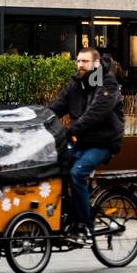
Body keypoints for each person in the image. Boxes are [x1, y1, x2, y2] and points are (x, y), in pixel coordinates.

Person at [49, 47, 124, 232]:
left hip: (103, 141)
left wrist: (71, 129)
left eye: (85, 61)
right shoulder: (77, 84)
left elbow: (97, 112)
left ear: (96, 64)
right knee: (57, 171)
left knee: (77, 174)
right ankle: (70, 217)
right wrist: (36, 119)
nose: (80, 65)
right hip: (81, 140)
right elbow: (57, 106)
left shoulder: (107, 83)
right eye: (79, 61)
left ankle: (84, 224)